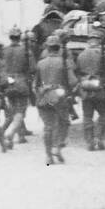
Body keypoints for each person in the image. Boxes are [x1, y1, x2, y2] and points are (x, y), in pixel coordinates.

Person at [33, 35, 73, 165]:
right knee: (64, 122)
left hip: (44, 97)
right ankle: (57, 146)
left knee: (48, 127)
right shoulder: (64, 62)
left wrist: (43, 92)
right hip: (60, 97)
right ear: (58, 47)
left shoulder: (40, 63)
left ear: (48, 47)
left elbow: (35, 85)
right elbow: (72, 81)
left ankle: (49, 156)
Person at [73, 26, 105, 151]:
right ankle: (98, 138)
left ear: (88, 41)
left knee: (87, 116)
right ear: (99, 41)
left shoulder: (81, 55)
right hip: (100, 89)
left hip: (85, 89)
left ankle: (89, 142)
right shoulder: (103, 55)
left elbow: (77, 71)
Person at [0, 26, 33, 148]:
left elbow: (1, 67)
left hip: (8, 82)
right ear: (19, 37)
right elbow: (32, 68)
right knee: (21, 111)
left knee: (13, 110)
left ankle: (21, 135)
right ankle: (11, 134)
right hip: (21, 81)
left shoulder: (4, 51)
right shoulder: (25, 50)